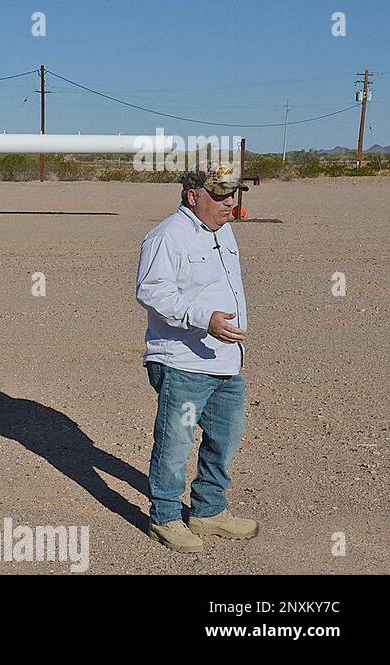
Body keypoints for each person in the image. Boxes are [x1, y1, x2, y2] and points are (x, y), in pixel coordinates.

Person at [135, 164, 260, 554]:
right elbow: (151, 291)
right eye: (220, 196)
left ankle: (209, 510)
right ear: (193, 196)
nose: (229, 204)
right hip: (182, 362)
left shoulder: (224, 232)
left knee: (224, 439)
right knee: (176, 443)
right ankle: (166, 517)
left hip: (225, 360)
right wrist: (204, 320)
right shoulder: (167, 237)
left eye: (232, 195)